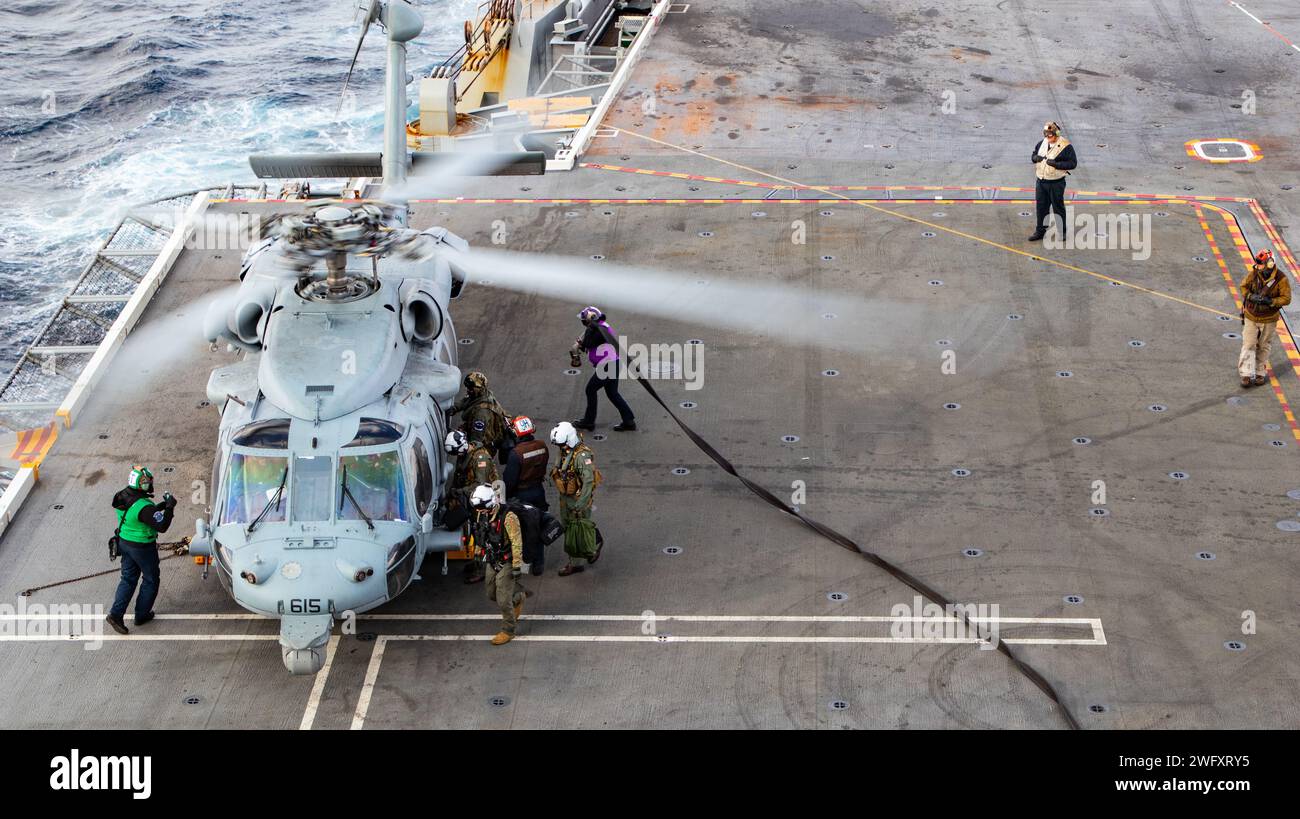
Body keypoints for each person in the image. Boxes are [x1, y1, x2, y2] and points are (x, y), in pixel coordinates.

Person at [105, 466, 175, 635]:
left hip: (125, 543)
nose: (150, 484)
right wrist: (170, 507)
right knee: (151, 580)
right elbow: (162, 525)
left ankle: (115, 615)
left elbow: (141, 515)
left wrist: (159, 508)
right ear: (142, 484)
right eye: (148, 482)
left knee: (128, 579)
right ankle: (141, 614)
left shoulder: (122, 496)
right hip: (143, 548)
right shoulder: (144, 506)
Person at [467, 485, 527, 645]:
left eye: (482, 508)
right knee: (490, 592)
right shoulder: (482, 514)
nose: (480, 511)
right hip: (492, 559)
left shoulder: (509, 517)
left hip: (507, 560)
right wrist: (479, 553)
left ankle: (508, 630)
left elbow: (516, 542)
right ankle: (517, 598)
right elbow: (481, 534)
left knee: (502, 599)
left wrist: (516, 566)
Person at [443, 430, 498, 584]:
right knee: (475, 531)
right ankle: (477, 562)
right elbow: (459, 477)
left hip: (483, 502)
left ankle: (481, 570)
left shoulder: (481, 459)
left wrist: (460, 492)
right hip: (473, 500)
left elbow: (480, 485)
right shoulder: (464, 455)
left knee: (482, 534)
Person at [549, 421, 604, 576]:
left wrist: (580, 504)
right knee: (569, 527)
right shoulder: (565, 451)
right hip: (565, 497)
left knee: (577, 530)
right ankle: (591, 547)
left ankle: (576, 563)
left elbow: (588, 482)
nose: (560, 448)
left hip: (577, 500)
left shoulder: (581, 457)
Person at [571, 306, 636, 432]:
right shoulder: (597, 326)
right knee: (612, 393)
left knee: (590, 389)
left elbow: (589, 343)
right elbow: (591, 344)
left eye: (584, 319)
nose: (583, 322)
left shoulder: (600, 329)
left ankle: (589, 421)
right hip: (612, 364)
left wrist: (580, 344)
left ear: (591, 318)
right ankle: (629, 421)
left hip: (608, 366)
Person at [1238, 249, 1291, 388]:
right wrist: (1250, 296)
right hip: (1251, 316)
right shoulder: (1254, 273)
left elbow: (1286, 299)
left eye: (1260, 263)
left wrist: (1271, 302)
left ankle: (1260, 372)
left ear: (1270, 263)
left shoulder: (1281, 279)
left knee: (1264, 346)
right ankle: (1245, 374)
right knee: (1248, 344)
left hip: (1269, 319)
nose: (1257, 266)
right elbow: (1243, 286)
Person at [1027, 121, 1077, 242]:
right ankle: (1040, 231)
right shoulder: (1042, 143)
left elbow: (1072, 163)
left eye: (1051, 135)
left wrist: (1057, 164)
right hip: (1041, 181)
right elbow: (1033, 155)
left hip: (1056, 182)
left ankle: (1062, 231)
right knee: (1041, 207)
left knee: (1058, 207)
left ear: (1057, 133)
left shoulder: (1065, 146)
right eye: (1046, 134)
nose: (1048, 137)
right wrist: (1035, 158)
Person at [451, 371, 513, 462]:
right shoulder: (483, 395)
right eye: (468, 387)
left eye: (471, 388)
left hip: (483, 448)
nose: (468, 390)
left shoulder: (481, 414)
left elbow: (476, 441)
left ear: (479, 389)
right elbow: (467, 400)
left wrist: (467, 455)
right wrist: (455, 408)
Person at [502, 415, 549, 511]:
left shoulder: (516, 453)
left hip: (521, 495)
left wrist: (505, 498)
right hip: (539, 491)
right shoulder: (542, 445)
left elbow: (509, 481)